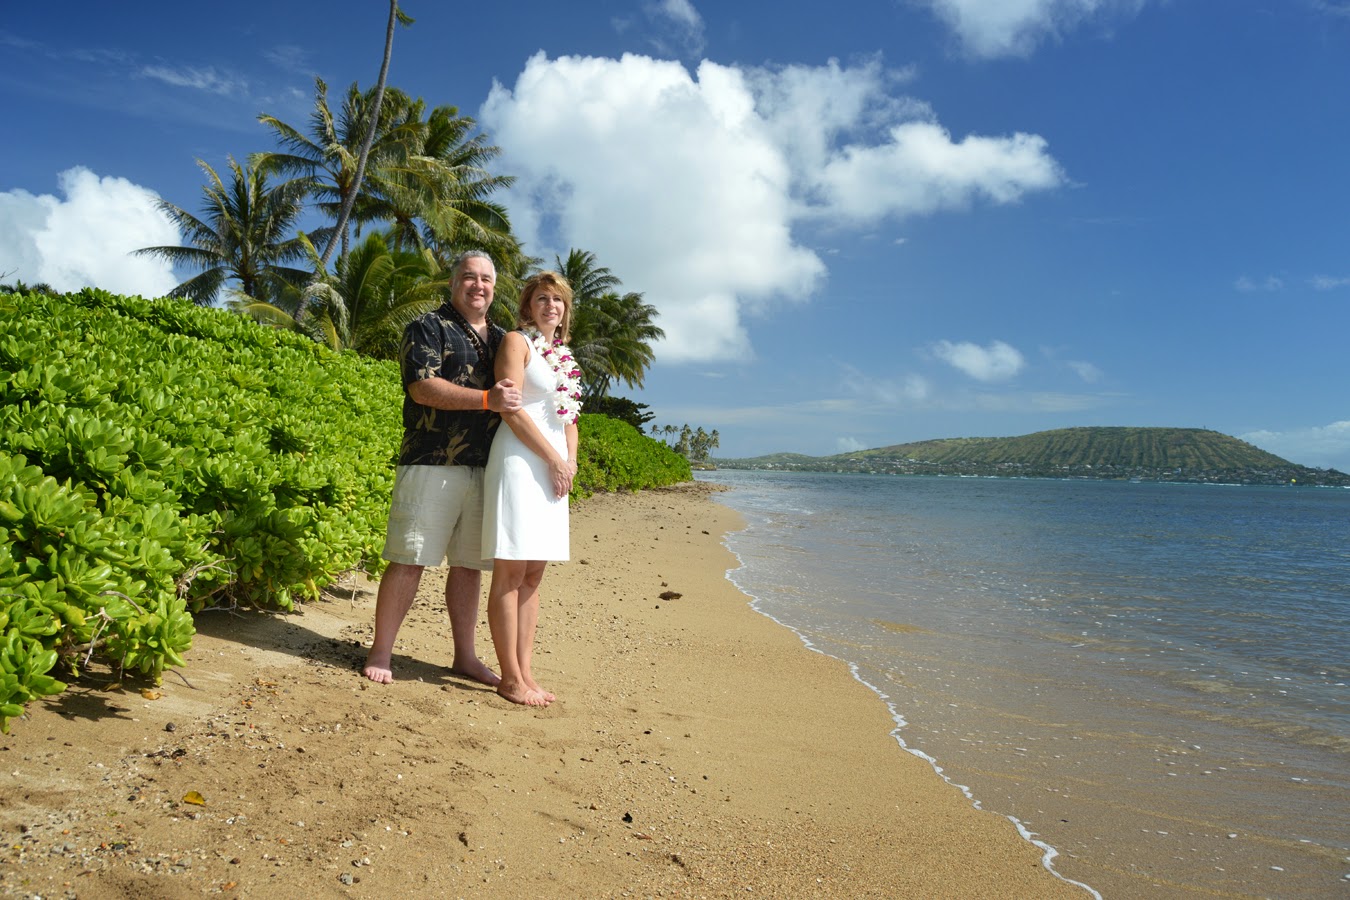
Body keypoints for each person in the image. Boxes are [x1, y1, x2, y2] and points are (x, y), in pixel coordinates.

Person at [362, 250, 522, 685]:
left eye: (486, 279)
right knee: (409, 557)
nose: (479, 285)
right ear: (453, 283)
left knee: (469, 565)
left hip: (486, 466)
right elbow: (422, 388)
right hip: (431, 460)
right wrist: (488, 399)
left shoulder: (506, 338)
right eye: (469, 277)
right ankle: (381, 651)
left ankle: (465, 656)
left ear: (494, 287)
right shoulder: (428, 326)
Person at [481, 272, 581, 706]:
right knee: (512, 570)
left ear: (565, 310)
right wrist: (553, 458)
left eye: (557, 301)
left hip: (554, 468)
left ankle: (526, 671)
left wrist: (569, 461)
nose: (550, 307)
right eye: (542, 299)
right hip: (522, 462)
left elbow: (570, 417)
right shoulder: (516, 343)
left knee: (534, 574)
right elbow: (511, 410)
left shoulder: (563, 355)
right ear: (528, 306)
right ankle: (509, 677)